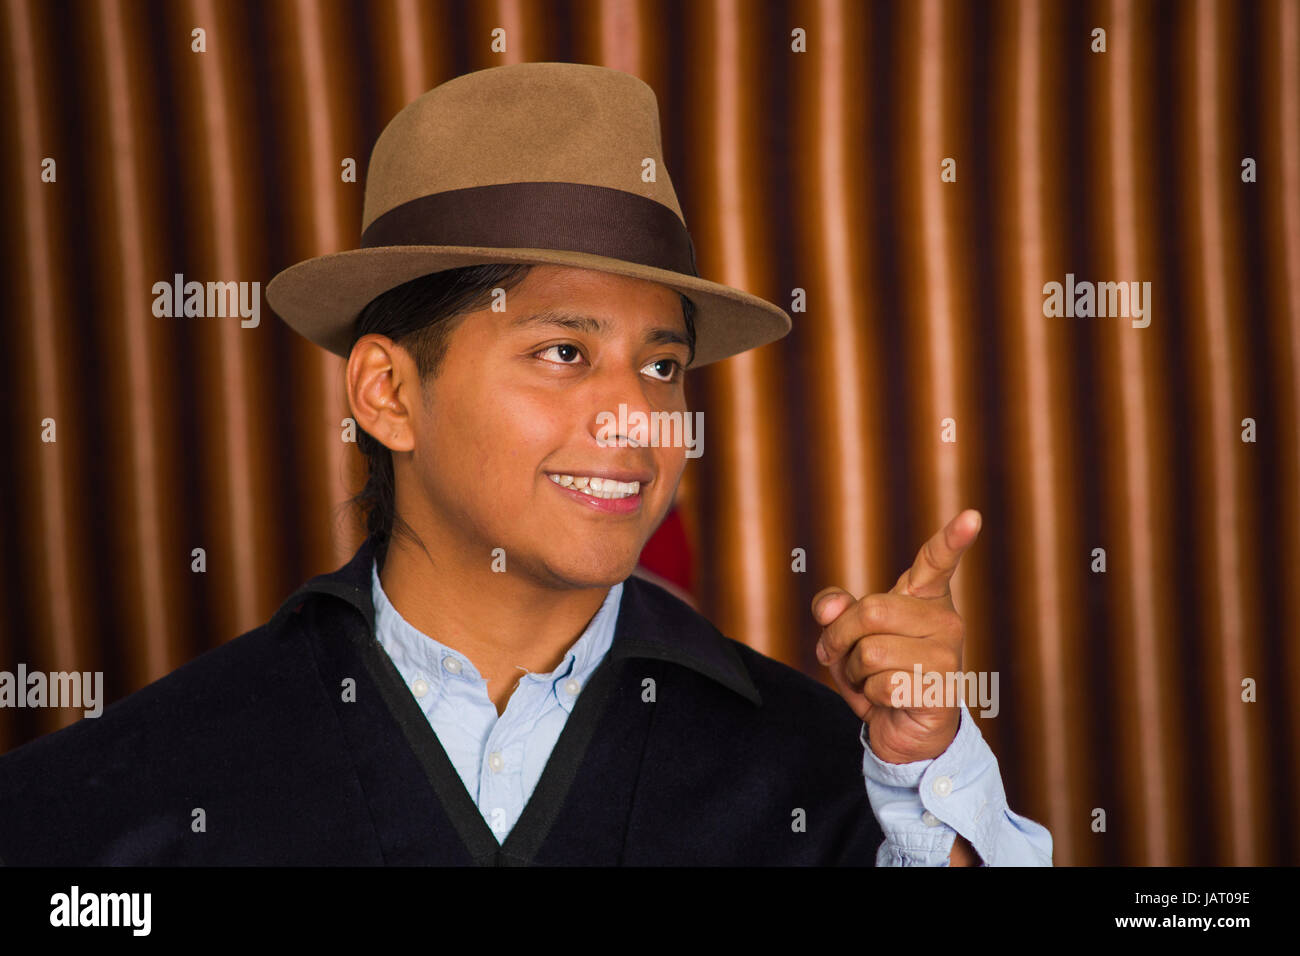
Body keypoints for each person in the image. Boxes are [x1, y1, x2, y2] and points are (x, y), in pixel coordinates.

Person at [0, 62, 1051, 866]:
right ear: (388, 393)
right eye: (563, 352)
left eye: (663, 363)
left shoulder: (826, 769)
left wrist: (924, 770)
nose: (638, 419)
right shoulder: (129, 786)